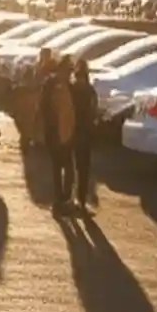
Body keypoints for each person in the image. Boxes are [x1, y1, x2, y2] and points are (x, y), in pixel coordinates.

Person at [40, 57, 78, 216]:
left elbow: (43, 107)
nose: (70, 74)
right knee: (65, 167)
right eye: (69, 71)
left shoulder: (52, 84)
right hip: (60, 132)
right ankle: (63, 200)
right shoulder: (61, 86)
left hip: (58, 132)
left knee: (60, 167)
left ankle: (61, 200)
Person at [71, 60, 100, 215]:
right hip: (84, 133)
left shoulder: (71, 89)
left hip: (72, 132)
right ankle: (80, 201)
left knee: (72, 167)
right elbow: (94, 111)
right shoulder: (89, 91)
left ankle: (71, 200)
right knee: (83, 168)